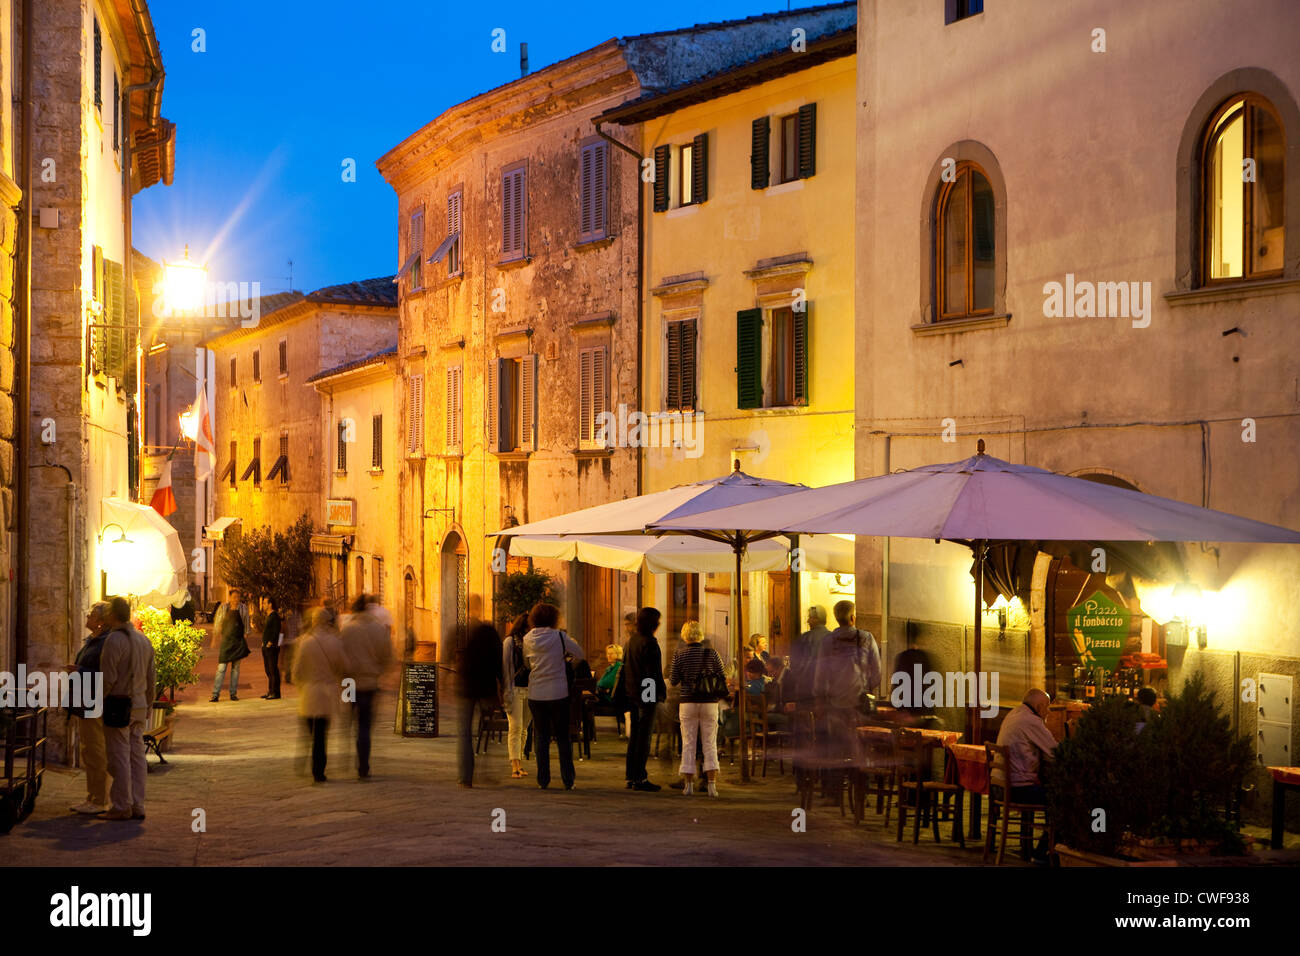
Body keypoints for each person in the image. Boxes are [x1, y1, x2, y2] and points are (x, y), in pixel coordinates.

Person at [98, 596, 155, 821]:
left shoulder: (113, 641)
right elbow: (152, 678)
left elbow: (108, 678)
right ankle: (138, 804)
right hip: (140, 704)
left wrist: (98, 701)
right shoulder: (144, 640)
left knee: (119, 756)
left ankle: (121, 805)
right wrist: (149, 704)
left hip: (119, 705)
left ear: (112, 615)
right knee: (137, 755)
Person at [814, 600, 881, 789]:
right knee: (859, 747)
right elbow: (876, 673)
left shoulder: (827, 641)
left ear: (836, 618)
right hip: (859, 705)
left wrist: (821, 698)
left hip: (834, 705)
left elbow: (820, 674)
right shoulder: (866, 638)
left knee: (835, 748)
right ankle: (860, 789)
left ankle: (835, 792)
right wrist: (867, 688)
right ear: (853, 617)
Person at [522, 602, 584, 790]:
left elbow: (526, 664)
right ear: (554, 618)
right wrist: (567, 662)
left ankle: (543, 779)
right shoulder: (560, 636)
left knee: (541, 737)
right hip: (558, 691)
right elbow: (580, 654)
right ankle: (568, 779)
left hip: (536, 693)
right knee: (563, 737)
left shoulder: (527, 639)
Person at [993, 688, 1059, 861]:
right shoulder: (1031, 721)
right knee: (1062, 799)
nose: (1049, 711)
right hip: (1018, 789)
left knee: (1052, 795)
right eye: (1047, 707)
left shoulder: (1014, 714)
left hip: (1000, 787)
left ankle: (1043, 850)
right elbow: (1055, 753)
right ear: (1038, 706)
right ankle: (1045, 852)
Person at [341, 594, 394, 779]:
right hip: (370, 683)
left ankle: (345, 756)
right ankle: (363, 766)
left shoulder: (347, 630)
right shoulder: (378, 629)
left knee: (348, 718)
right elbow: (388, 655)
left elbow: (340, 656)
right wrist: (377, 671)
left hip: (349, 683)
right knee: (364, 725)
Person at [668, 621, 724, 797]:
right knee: (710, 743)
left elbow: (674, 679)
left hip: (688, 702)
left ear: (684, 636)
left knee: (688, 743)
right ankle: (712, 786)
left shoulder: (679, 654)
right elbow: (722, 676)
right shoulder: (712, 654)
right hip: (709, 703)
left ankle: (688, 786)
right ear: (700, 634)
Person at [292, 606, 347, 782]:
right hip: (327, 694)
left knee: (309, 731)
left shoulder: (305, 641)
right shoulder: (335, 641)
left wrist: (300, 684)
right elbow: (344, 667)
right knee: (321, 734)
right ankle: (319, 771)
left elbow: (297, 670)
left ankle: (303, 761)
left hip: (309, 693)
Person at [68, 602, 113, 815]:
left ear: (101, 621)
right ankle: (93, 796)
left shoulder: (104, 643)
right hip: (85, 701)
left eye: (92, 615)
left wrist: (80, 670)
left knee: (95, 750)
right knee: (90, 750)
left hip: (93, 701)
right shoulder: (94, 640)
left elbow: (105, 673)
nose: (88, 617)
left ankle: (100, 799)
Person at [454, 608, 504, 788]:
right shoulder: (492, 639)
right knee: (488, 731)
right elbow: (500, 665)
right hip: (486, 690)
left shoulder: (469, 639)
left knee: (465, 733)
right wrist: (502, 689)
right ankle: (485, 772)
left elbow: (461, 663)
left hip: (467, 689)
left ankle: (465, 777)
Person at [623, 606, 667, 792]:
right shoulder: (649, 643)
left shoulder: (632, 640)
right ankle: (640, 777)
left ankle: (631, 776)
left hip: (631, 693)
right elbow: (652, 674)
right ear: (653, 624)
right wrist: (653, 697)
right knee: (644, 737)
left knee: (635, 736)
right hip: (645, 695)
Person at [501, 614, 532, 778]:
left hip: (530, 689)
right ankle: (514, 764)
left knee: (524, 729)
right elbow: (506, 667)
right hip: (515, 689)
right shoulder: (510, 642)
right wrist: (507, 690)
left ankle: (520, 763)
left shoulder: (531, 643)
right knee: (515, 727)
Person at [211, 588, 251, 701]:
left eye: (238, 597)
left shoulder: (243, 608)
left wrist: (245, 637)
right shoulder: (223, 608)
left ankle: (233, 694)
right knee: (221, 668)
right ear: (229, 598)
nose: (236, 599)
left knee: (236, 669)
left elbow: (246, 625)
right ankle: (215, 694)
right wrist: (215, 638)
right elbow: (218, 623)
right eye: (234, 597)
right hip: (226, 642)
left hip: (238, 642)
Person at [260, 598, 283, 700]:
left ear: (270, 604)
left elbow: (276, 630)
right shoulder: (269, 616)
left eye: (264, 603)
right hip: (266, 646)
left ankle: (275, 692)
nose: (263, 604)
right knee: (268, 670)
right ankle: (270, 691)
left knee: (273, 670)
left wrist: (270, 642)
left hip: (271, 647)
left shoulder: (274, 616)